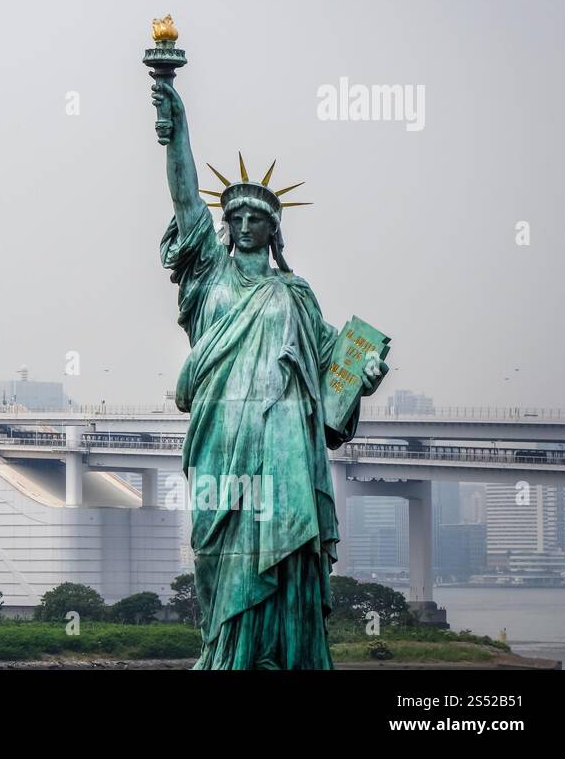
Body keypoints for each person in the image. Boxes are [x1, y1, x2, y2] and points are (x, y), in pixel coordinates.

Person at [151, 77, 388, 669]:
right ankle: (224, 652)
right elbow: (185, 199)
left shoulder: (296, 295)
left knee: (287, 552)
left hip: (284, 439)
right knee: (218, 551)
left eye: (258, 216)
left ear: (273, 229)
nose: (247, 224)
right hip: (220, 437)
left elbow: (336, 362)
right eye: (237, 215)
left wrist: (369, 370)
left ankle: (285, 654)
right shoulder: (208, 276)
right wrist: (174, 125)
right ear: (224, 225)